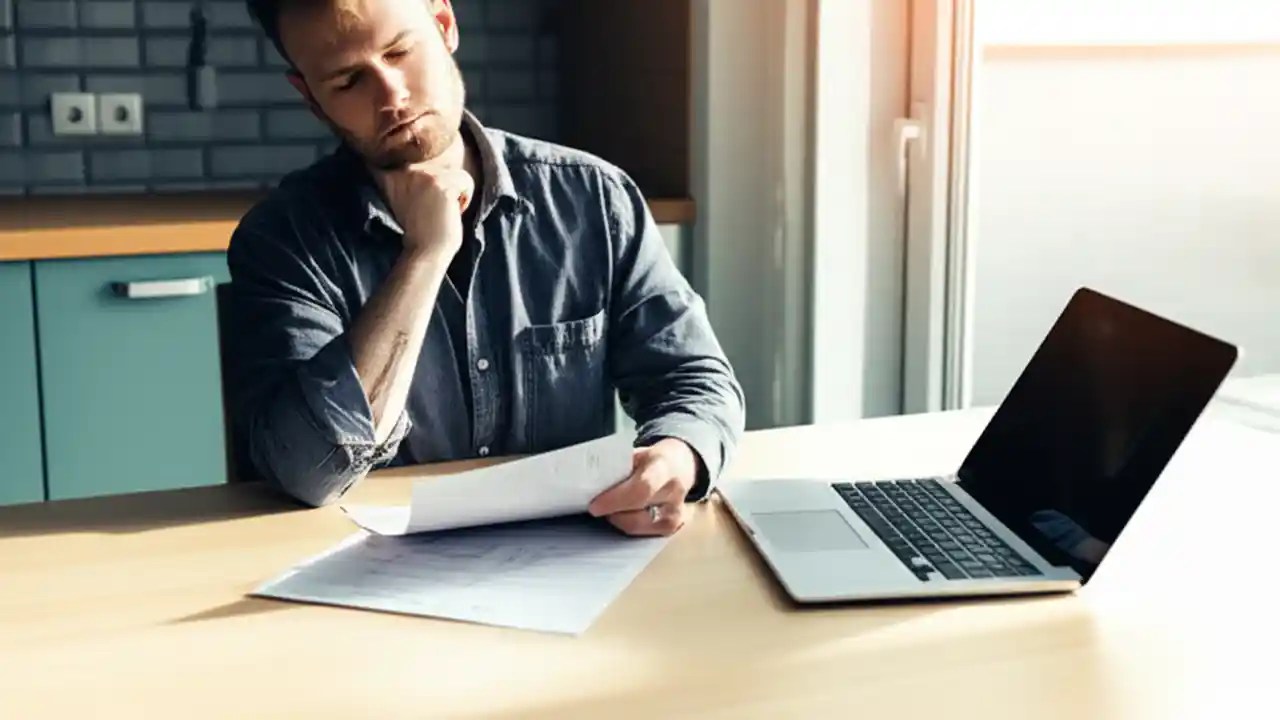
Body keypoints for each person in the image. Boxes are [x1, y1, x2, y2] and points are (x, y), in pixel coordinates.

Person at [224, 0, 745, 537]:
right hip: (367, 576)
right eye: (349, 80)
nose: (392, 96)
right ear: (310, 97)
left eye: (401, 51)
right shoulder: (282, 241)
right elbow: (307, 468)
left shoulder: (593, 199)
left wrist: (677, 458)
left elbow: (692, 379)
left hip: (569, 564)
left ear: (444, 25)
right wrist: (424, 255)